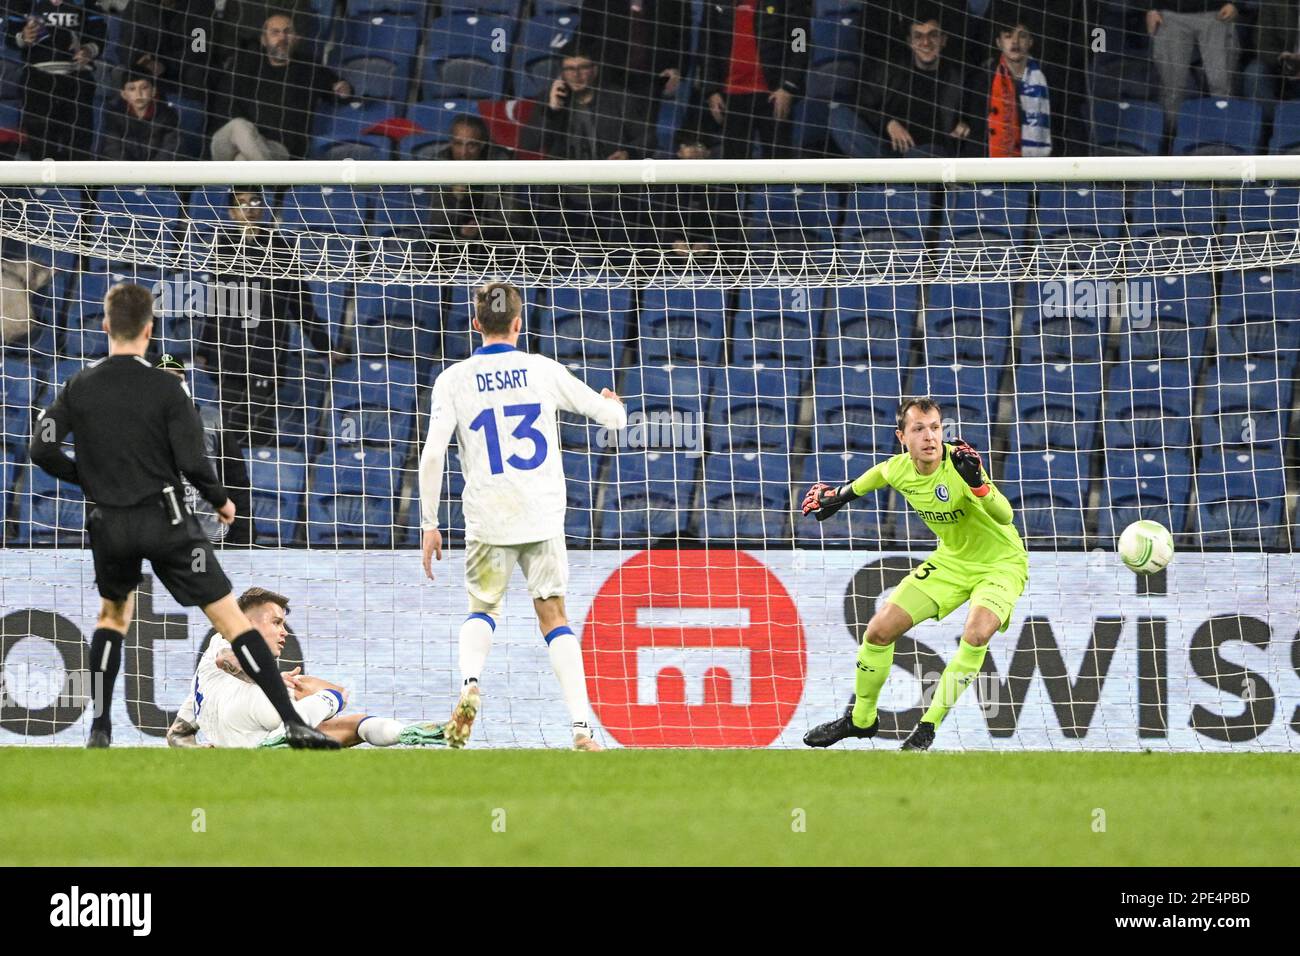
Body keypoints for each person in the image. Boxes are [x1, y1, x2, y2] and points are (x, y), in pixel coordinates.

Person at [28, 282, 338, 750]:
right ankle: (293, 724)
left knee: (112, 618)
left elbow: (40, 446)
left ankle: (100, 728)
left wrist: (89, 480)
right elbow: (194, 461)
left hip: (110, 522)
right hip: (166, 520)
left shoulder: (79, 385)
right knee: (232, 619)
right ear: (150, 330)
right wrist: (220, 501)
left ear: (107, 325)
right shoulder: (167, 388)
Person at [419, 282, 627, 751]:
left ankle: (470, 683)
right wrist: (613, 405)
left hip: (488, 516)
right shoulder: (542, 369)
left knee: (482, 610)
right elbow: (611, 420)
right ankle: (581, 729)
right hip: (541, 516)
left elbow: (433, 456)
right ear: (518, 323)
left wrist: (429, 523)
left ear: (476, 325)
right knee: (554, 617)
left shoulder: (453, 379)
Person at [800, 398, 1028, 751]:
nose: (930, 436)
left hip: (1001, 562)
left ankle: (926, 728)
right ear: (902, 437)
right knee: (877, 632)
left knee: (977, 633)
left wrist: (979, 483)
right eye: (919, 429)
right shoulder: (899, 468)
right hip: (952, 561)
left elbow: (1005, 515)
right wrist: (839, 496)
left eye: (935, 427)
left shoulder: (961, 465)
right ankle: (861, 721)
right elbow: (874, 477)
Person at [167, 587, 447, 749]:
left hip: (245, 740)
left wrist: (201, 754)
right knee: (336, 694)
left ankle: (407, 732)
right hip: (256, 709)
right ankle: (297, 726)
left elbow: (177, 734)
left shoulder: (201, 684)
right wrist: (270, 679)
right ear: (248, 623)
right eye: (276, 622)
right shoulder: (225, 638)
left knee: (348, 725)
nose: (284, 632)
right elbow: (226, 659)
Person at [210, 12, 352, 161]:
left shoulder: (310, 68)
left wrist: (344, 90)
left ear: (297, 38)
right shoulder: (243, 64)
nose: (282, 38)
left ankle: (260, 179)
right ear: (264, 40)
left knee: (242, 161)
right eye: (275, 33)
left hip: (278, 147)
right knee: (238, 127)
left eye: (287, 32)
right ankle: (272, 179)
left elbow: (339, 91)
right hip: (232, 141)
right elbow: (223, 105)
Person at [830, 12, 972, 158]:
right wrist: (888, 123)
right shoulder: (891, 72)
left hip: (929, 152)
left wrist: (966, 124)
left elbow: (975, 115)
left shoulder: (958, 78)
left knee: (919, 154)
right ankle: (888, 174)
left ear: (943, 40)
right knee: (839, 116)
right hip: (887, 150)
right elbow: (860, 103)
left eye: (933, 35)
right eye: (918, 36)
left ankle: (885, 177)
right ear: (910, 42)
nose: (925, 42)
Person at [155, 353, 253, 547]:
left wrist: (244, 536)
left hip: (211, 534)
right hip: (160, 536)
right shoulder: (141, 426)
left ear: (186, 382)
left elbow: (237, 481)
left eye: (176, 378)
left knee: (203, 572)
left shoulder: (212, 420)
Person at [698, 0, 810, 159]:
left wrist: (788, 87)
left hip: (774, 96)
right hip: (731, 97)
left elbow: (800, 45)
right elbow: (706, 45)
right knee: (735, 171)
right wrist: (711, 90)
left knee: (778, 166)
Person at [10, 0, 105, 160]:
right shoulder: (24, 3)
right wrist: (23, 37)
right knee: (41, 136)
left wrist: (89, 50)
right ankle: (42, 180)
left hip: (76, 75)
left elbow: (100, 35)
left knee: (79, 137)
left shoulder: (85, 3)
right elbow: (10, 38)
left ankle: (78, 179)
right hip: (38, 75)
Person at [427, 114, 520, 246]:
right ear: (451, 143)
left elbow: (513, 219)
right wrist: (454, 199)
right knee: (435, 243)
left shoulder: (501, 164)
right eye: (458, 144)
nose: (464, 152)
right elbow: (437, 222)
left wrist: (482, 229)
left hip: (494, 240)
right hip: (453, 239)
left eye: (471, 145)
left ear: (482, 145)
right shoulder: (439, 165)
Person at [1146, 2, 1241, 123]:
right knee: (1171, 86)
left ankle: (1224, 135)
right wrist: (1150, 8)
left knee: (1221, 82)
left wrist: (1235, 3)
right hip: (1169, 15)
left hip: (1217, 12)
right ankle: (1170, 136)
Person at [982, 20, 1052, 157]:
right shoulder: (984, 80)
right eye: (1008, 36)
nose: (1015, 41)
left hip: (1040, 169)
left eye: (1022, 36)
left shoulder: (1046, 79)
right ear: (998, 42)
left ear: (1031, 42)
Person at [99, 69, 180, 162]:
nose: (139, 94)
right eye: (132, 89)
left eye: (144, 88)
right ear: (124, 94)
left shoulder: (168, 116)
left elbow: (170, 151)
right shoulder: (114, 116)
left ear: (153, 91)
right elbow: (112, 149)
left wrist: (149, 173)